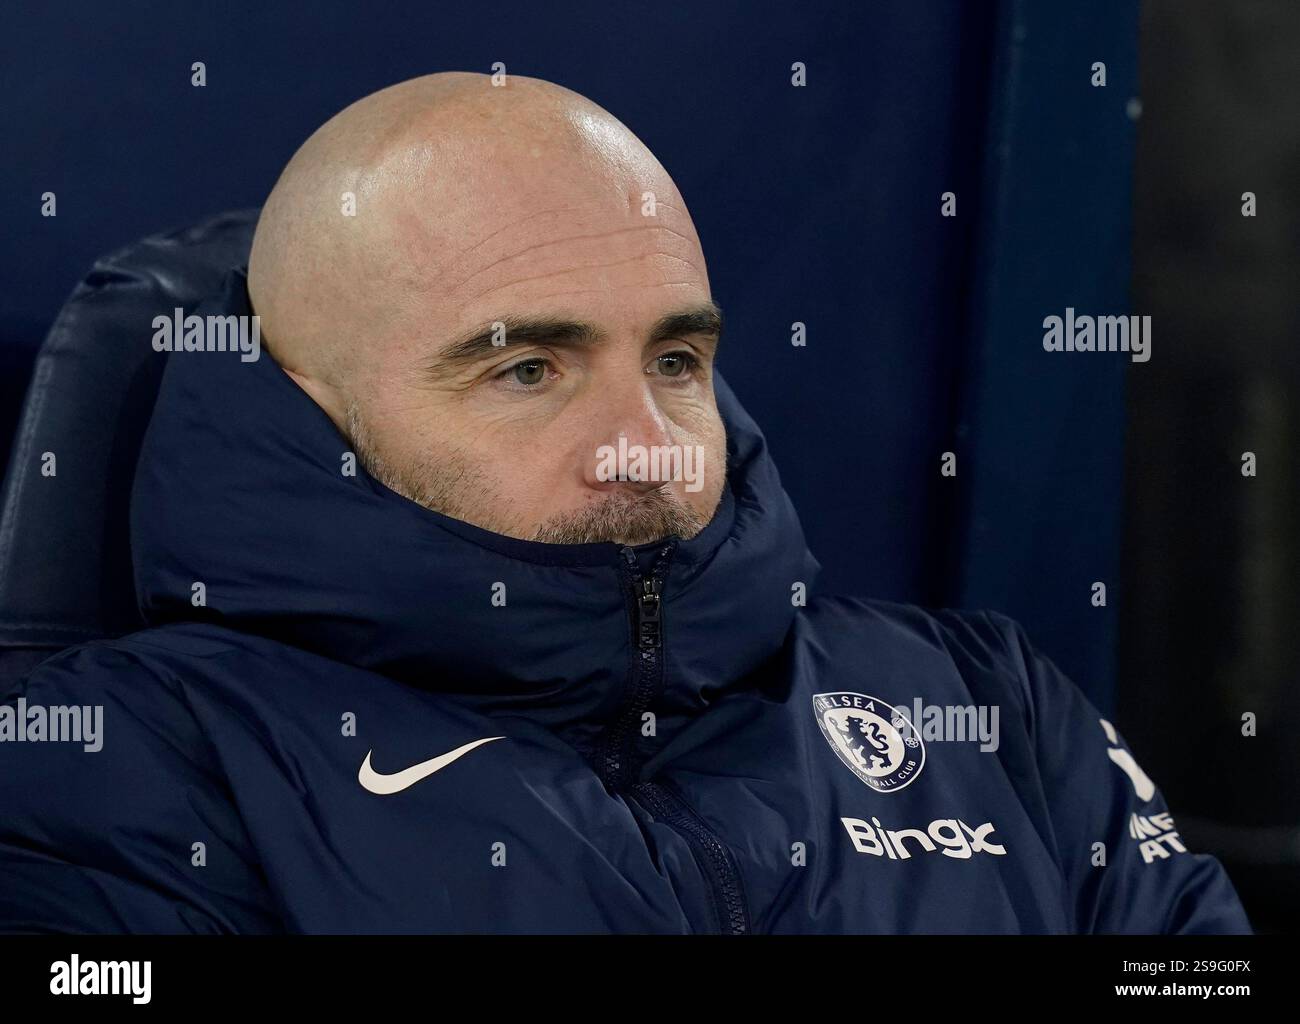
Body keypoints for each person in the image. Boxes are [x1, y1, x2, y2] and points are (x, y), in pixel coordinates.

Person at [0, 72, 1251, 934]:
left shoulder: (987, 705)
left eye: (674, 362)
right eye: (526, 369)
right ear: (307, 405)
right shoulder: (125, 770)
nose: (644, 449)